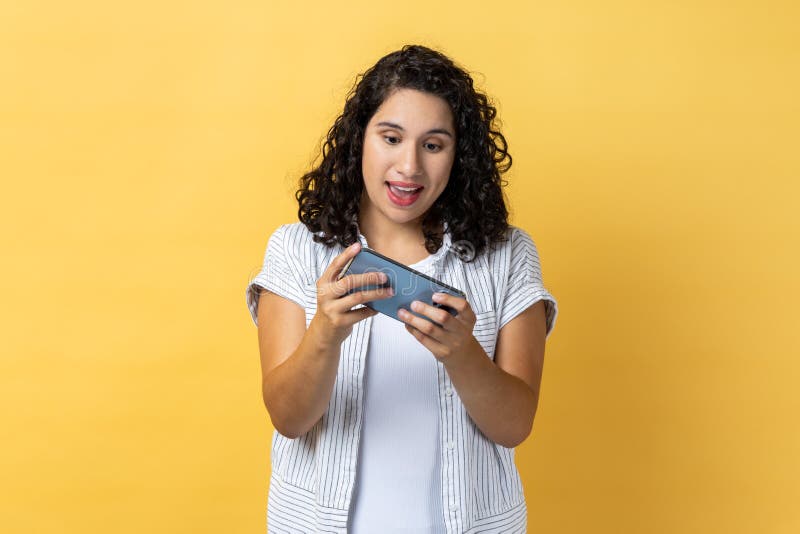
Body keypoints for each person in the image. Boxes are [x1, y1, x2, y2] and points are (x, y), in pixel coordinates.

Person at [246, 44, 558, 533]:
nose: (409, 166)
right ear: (359, 140)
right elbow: (289, 418)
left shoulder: (508, 255)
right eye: (391, 137)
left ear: (459, 155)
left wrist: (462, 353)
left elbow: (515, 426)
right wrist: (324, 333)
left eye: (433, 145)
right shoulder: (296, 250)